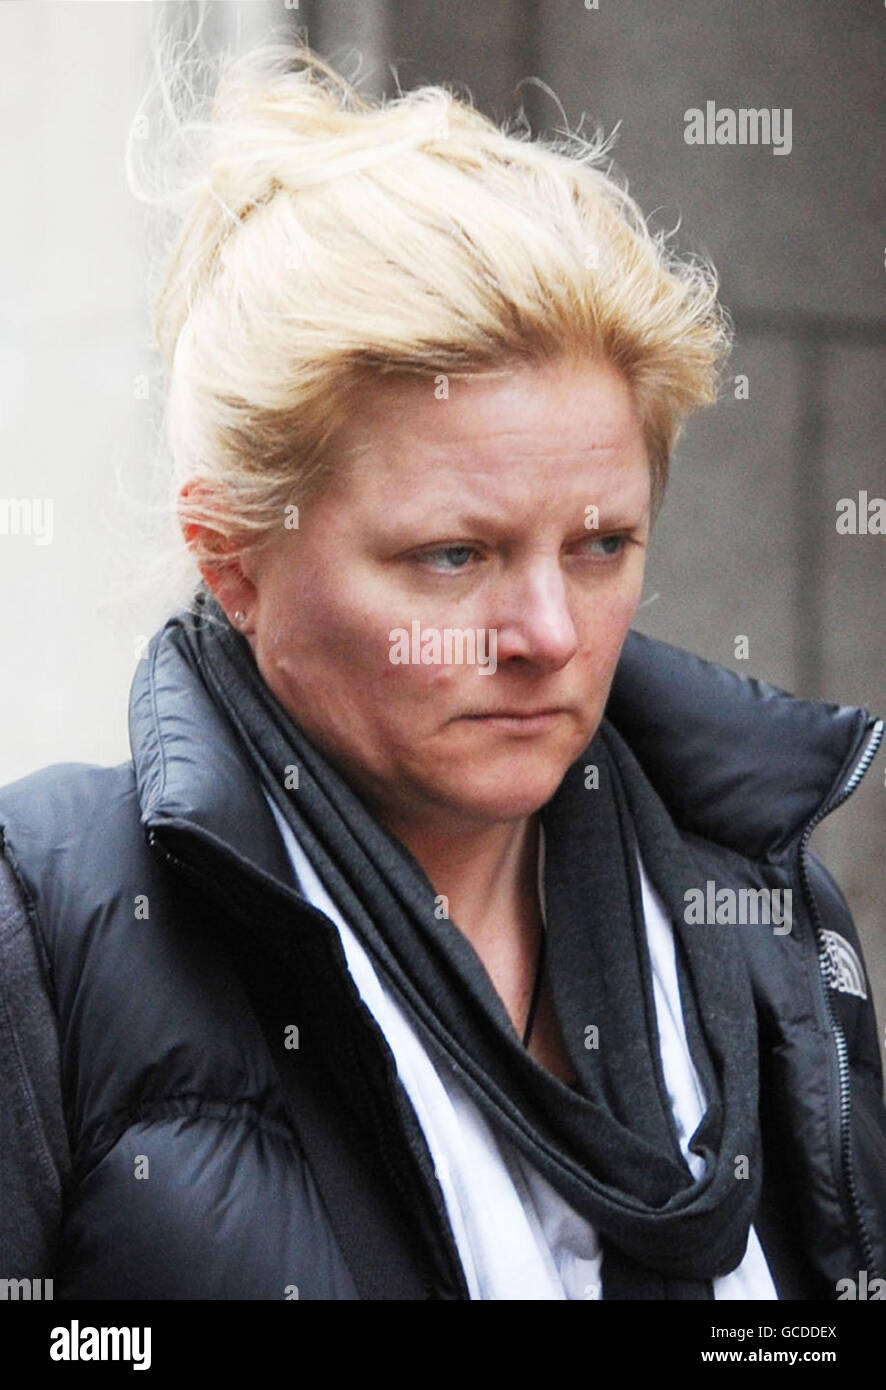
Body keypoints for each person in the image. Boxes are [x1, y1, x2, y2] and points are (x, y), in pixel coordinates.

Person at [1, 40, 884, 1302]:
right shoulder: (44, 934)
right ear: (233, 558)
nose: (548, 631)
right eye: (452, 554)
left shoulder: (766, 917)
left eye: (601, 544)